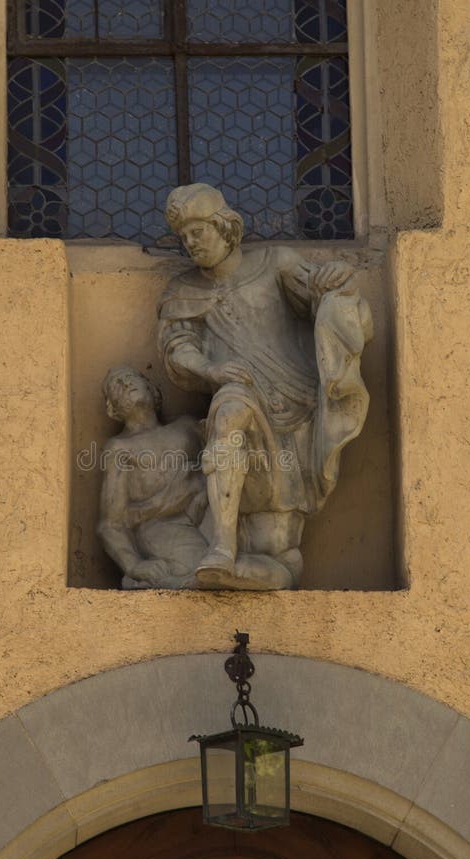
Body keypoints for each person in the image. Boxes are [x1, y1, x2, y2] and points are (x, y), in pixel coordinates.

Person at [158, 183, 373, 589]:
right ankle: (220, 547)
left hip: (297, 413)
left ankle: (251, 566)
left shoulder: (276, 264)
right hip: (240, 396)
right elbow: (176, 348)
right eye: (183, 237)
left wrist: (337, 283)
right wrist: (211, 370)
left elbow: (322, 298)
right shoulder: (183, 292)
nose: (190, 243)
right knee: (228, 408)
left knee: (277, 546)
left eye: (198, 231)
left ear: (225, 227)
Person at [97, 365, 208, 589]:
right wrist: (134, 565)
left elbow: (223, 458)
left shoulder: (187, 427)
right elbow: (111, 524)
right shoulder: (120, 449)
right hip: (164, 529)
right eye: (117, 386)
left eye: (130, 377)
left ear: (151, 388)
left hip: (209, 515)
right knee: (203, 571)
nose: (126, 384)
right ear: (113, 409)